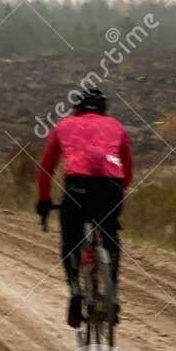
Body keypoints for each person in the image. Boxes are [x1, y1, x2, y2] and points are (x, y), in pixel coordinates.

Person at [35, 86, 133, 327]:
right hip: (111, 187)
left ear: (76, 109)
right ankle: (113, 292)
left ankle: (76, 289)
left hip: (77, 188)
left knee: (71, 238)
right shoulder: (116, 126)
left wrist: (44, 200)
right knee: (110, 235)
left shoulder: (64, 126)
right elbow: (128, 168)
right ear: (104, 110)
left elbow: (46, 167)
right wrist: (120, 191)